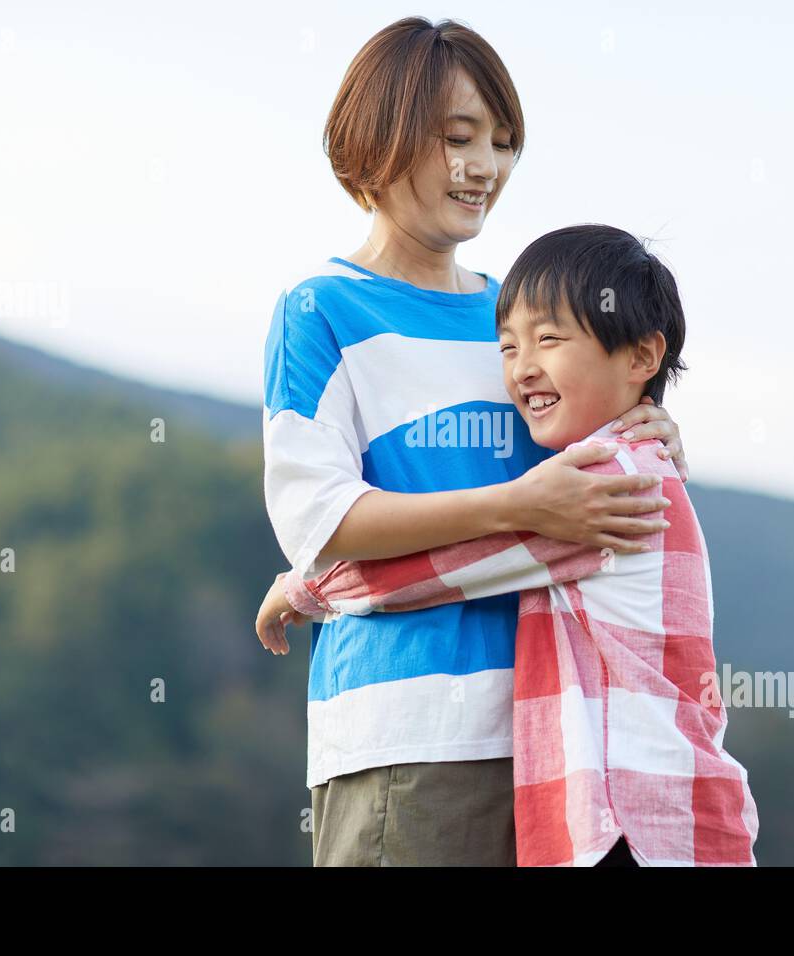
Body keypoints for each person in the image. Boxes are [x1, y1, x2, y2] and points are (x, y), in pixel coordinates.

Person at [261, 17, 689, 867]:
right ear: (377, 140)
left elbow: (590, 495)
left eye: (502, 141)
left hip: (561, 732)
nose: (485, 167)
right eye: (458, 138)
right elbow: (320, 517)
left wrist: (652, 426)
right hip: (406, 737)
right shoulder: (322, 312)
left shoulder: (521, 315)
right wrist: (517, 503)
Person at [261, 224, 759, 866]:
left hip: (629, 823)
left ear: (641, 357)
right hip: (664, 818)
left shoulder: (603, 488)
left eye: (549, 339)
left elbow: (440, 569)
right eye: (507, 347)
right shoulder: (637, 465)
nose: (522, 367)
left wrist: (303, 587)